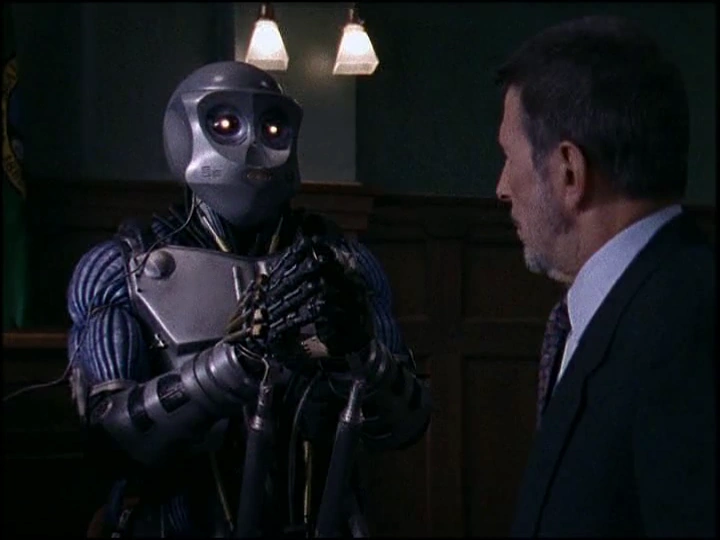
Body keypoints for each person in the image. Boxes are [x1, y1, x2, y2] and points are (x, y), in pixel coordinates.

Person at [66, 60, 431, 537]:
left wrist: (359, 354)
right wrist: (233, 364)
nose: (254, 146)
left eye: (273, 126)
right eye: (225, 124)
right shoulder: (124, 266)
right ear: (182, 131)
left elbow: (408, 422)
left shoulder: (344, 264)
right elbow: (110, 437)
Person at [494, 15, 715, 537]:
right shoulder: (623, 307)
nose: (501, 187)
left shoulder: (689, 329)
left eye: (508, 157)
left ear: (569, 171)